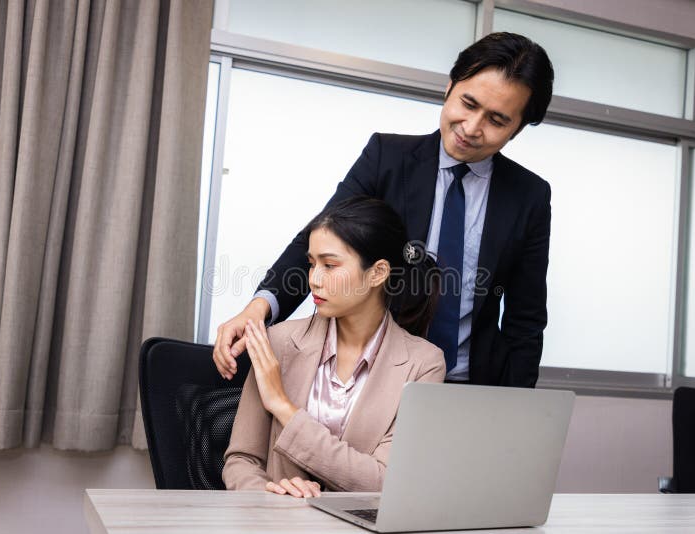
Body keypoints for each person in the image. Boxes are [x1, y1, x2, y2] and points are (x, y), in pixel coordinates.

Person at [215, 32, 554, 387]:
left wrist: (516, 408)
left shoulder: (528, 196)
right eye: (468, 104)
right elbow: (317, 244)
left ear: (517, 129)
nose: (471, 128)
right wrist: (259, 310)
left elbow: (525, 320)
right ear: (450, 86)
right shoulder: (386, 158)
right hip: (371, 377)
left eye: (497, 121)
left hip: (468, 387)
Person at [222, 197, 445, 496]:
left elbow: (385, 484)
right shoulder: (278, 341)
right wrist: (272, 496)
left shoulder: (424, 364)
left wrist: (283, 406)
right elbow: (241, 460)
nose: (313, 279)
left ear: (378, 273)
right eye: (312, 264)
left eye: (329, 265)